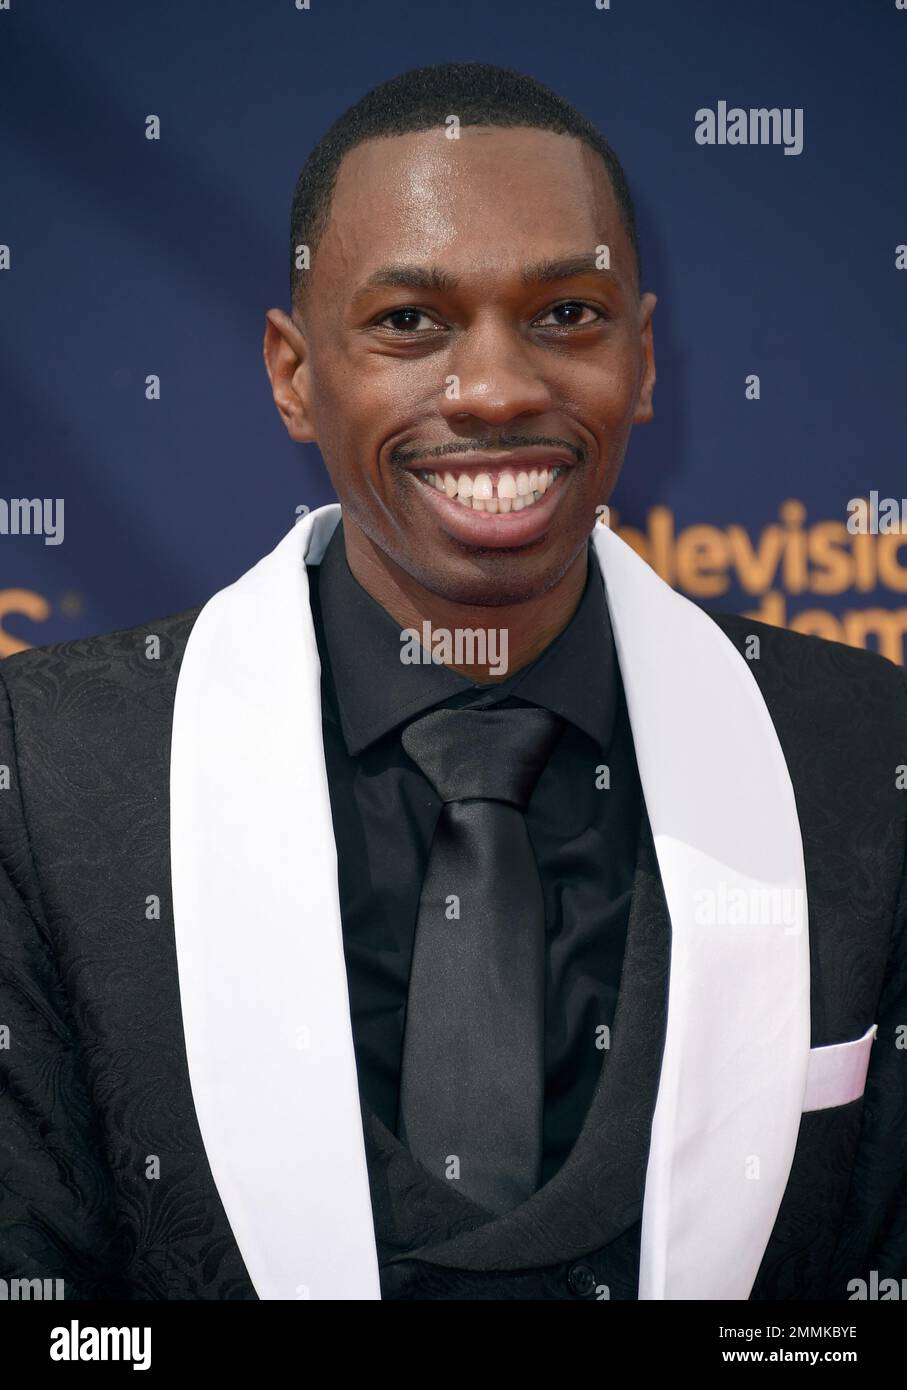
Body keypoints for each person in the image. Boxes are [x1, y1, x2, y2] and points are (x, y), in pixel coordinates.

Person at [1, 62, 905, 1302]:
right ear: (291, 372)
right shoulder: (47, 765)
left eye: (566, 315)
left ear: (643, 360)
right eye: (410, 323)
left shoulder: (862, 749)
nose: (494, 389)